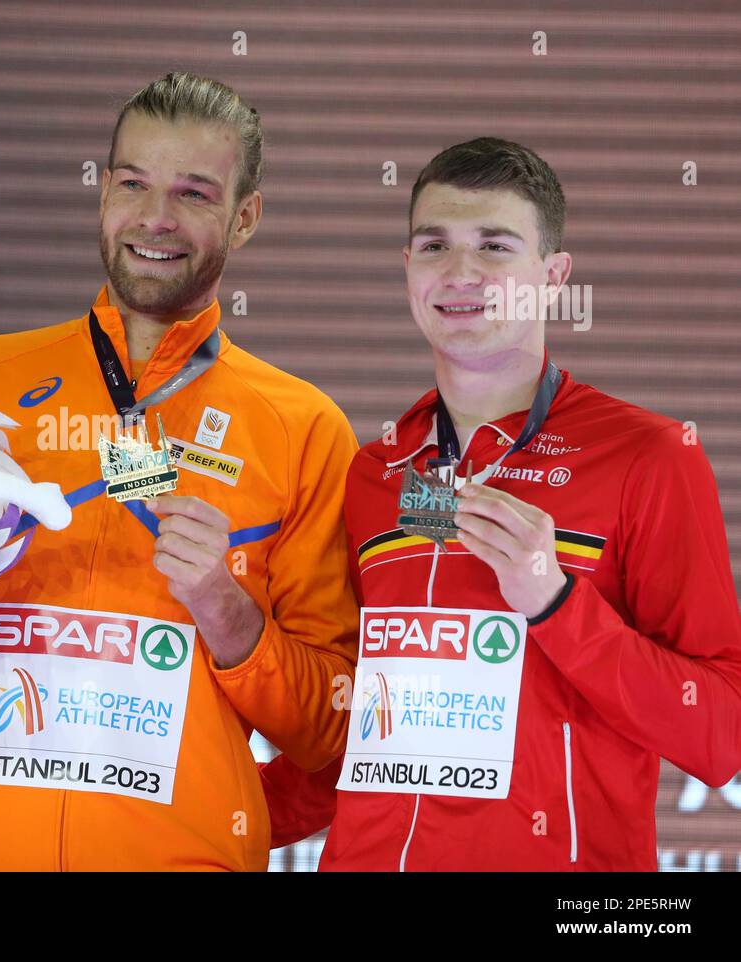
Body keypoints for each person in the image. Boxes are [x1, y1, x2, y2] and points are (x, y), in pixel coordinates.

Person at [0, 72, 359, 870]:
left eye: (194, 193)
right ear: (102, 192)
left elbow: (328, 726)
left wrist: (228, 616)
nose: (156, 219)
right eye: (133, 184)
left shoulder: (303, 428)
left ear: (246, 216)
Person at [260, 137, 741, 870]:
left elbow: (720, 732)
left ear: (553, 277)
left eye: (494, 245)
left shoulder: (649, 457)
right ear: (408, 271)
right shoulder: (376, 471)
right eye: (434, 245)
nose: (461, 272)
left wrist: (555, 604)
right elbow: (353, 741)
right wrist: (213, 812)